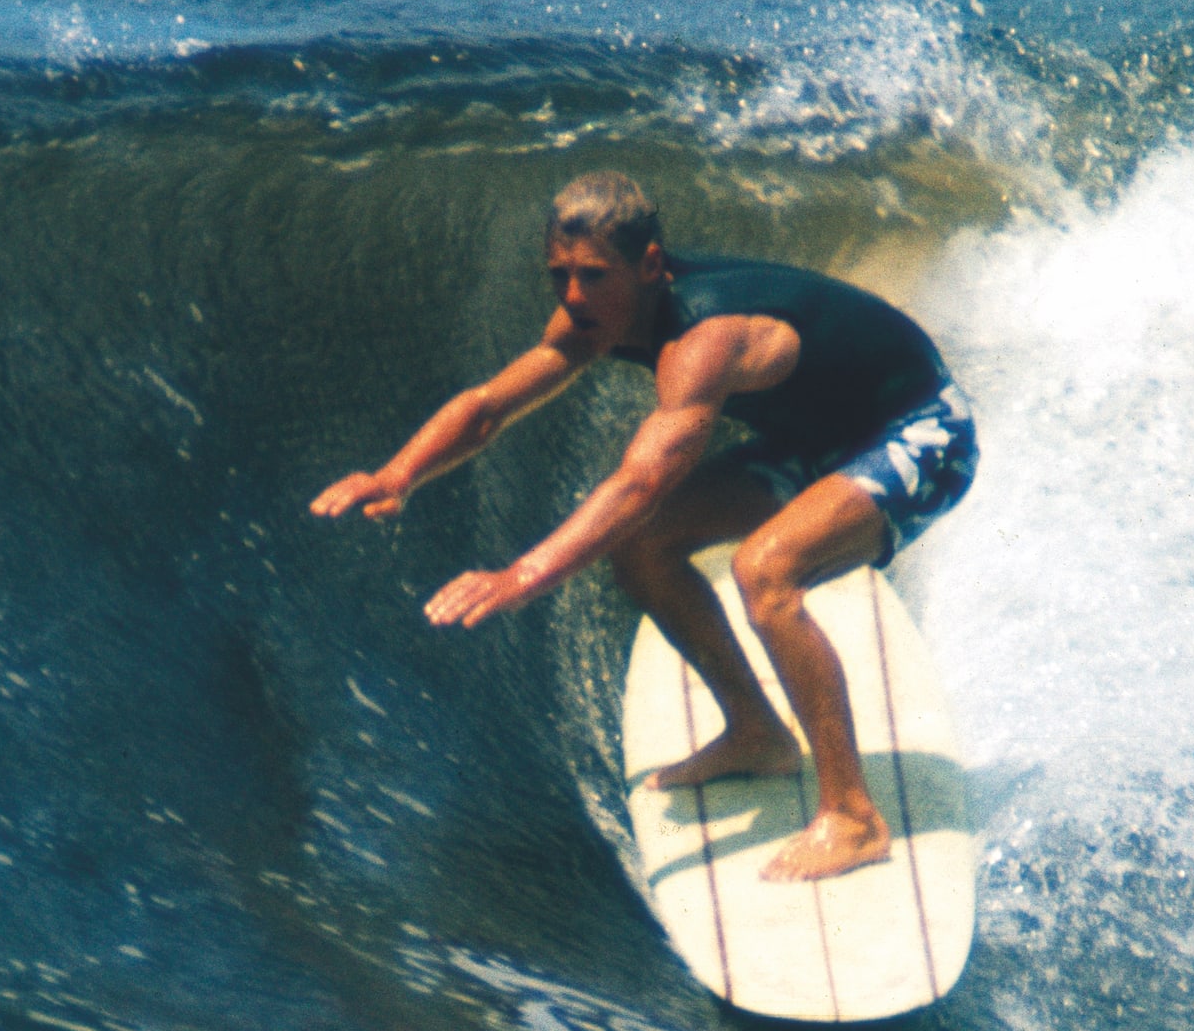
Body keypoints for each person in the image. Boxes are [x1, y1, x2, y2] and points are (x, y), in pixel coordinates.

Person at [310, 172, 976, 881]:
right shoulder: (599, 316)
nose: (573, 296)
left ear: (651, 265)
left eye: (594, 276)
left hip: (923, 432)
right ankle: (757, 733)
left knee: (765, 571)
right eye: (560, 274)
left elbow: (640, 484)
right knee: (641, 546)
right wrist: (397, 476)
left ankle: (853, 818)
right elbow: (488, 407)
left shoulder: (706, 340)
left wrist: (523, 576)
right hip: (816, 438)